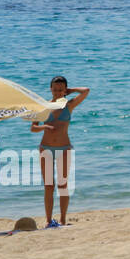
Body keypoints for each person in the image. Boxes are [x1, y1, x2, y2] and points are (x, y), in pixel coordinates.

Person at [31, 77, 88, 227]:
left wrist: (72, 90)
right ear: (50, 89)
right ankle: (49, 220)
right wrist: (45, 127)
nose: (57, 92)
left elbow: (86, 91)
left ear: (65, 90)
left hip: (64, 149)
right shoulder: (43, 106)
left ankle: (62, 219)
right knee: (49, 185)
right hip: (46, 148)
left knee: (63, 185)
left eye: (61, 89)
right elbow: (33, 127)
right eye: (55, 89)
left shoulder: (69, 105)